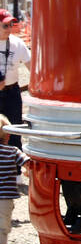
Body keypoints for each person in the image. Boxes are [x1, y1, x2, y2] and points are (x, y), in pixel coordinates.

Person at [0, 9, 31, 151]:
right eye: (5, 25)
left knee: (15, 132)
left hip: (12, 92)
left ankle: (16, 169)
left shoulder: (17, 43)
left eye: (11, 25)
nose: (9, 29)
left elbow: (32, 66)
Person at [0, 113, 25, 244]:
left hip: (5, 199)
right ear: (8, 135)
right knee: (2, 230)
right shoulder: (12, 151)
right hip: (5, 200)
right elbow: (28, 161)